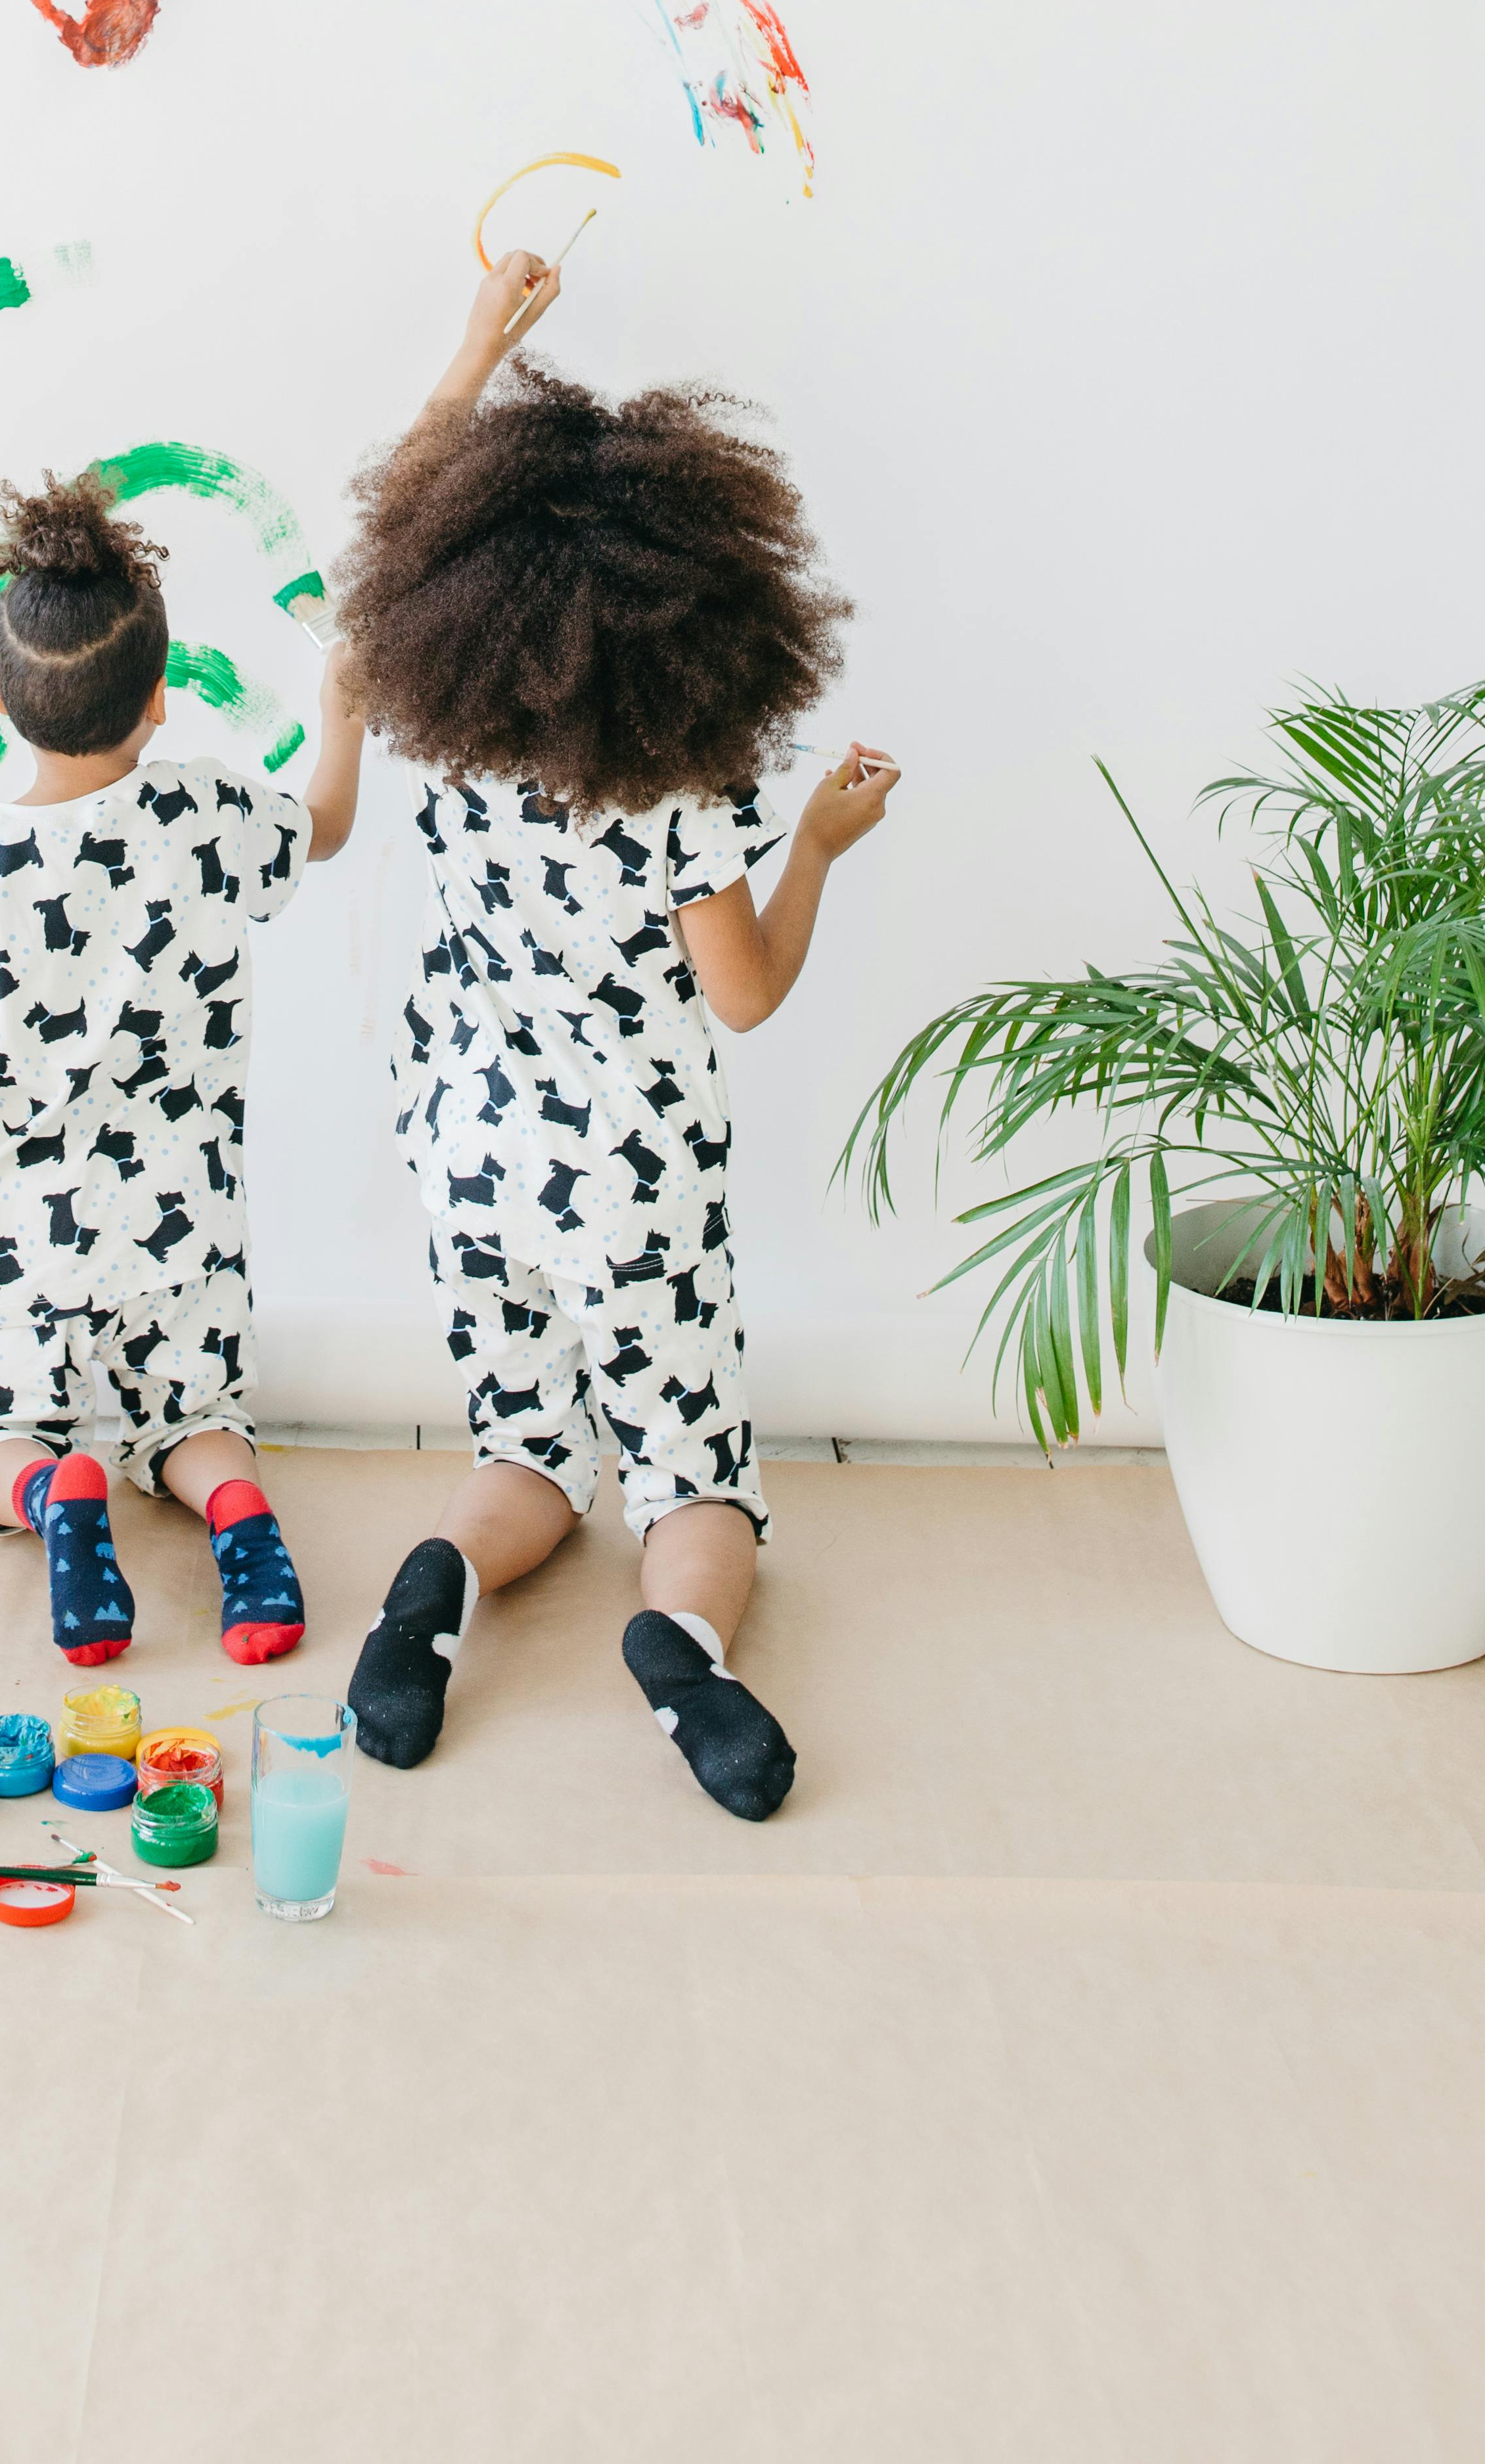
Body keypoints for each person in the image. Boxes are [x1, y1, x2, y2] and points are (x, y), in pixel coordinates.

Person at [334, 254, 897, 1818]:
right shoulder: (676, 791)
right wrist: (816, 849)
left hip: (470, 1161)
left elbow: (353, 563)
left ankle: (425, 1606)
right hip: (632, 1181)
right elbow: (744, 994)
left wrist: (467, 352)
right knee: (690, 1481)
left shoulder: (430, 734)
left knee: (519, 1457)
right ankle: (679, 1650)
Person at [0, 469, 363, 1669]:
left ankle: (45, 1497)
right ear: (161, 704)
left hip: (27, 1229)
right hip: (183, 1213)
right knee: (195, 1419)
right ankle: (235, 1512)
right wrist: (341, 709)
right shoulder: (210, 812)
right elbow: (324, 825)